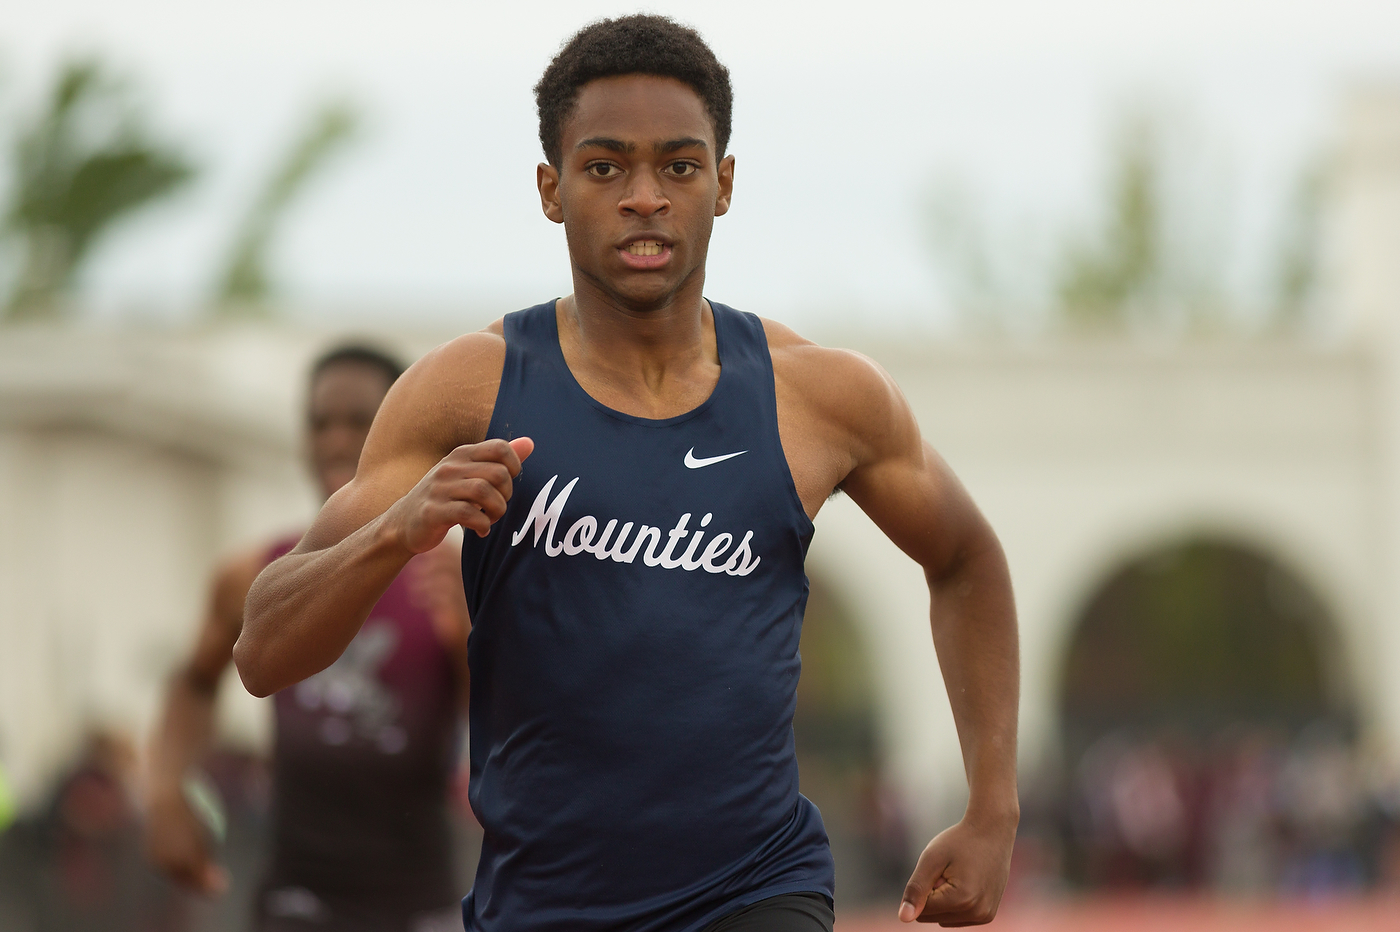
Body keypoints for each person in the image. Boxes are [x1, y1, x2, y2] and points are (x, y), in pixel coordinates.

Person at [237, 15, 1020, 932]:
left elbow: (965, 558)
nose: (644, 196)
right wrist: (395, 529)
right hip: (543, 905)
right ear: (551, 188)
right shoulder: (468, 389)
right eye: (605, 167)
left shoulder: (821, 399)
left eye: (679, 167)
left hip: (758, 889)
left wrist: (993, 808)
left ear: (723, 184)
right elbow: (263, 651)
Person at [146, 345, 471, 932]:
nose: (335, 441)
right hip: (297, 902)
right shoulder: (256, 576)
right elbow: (194, 682)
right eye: (319, 423)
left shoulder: (455, 576)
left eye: (359, 422)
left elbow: (505, 735)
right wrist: (166, 791)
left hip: (423, 905)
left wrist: (470, 642)